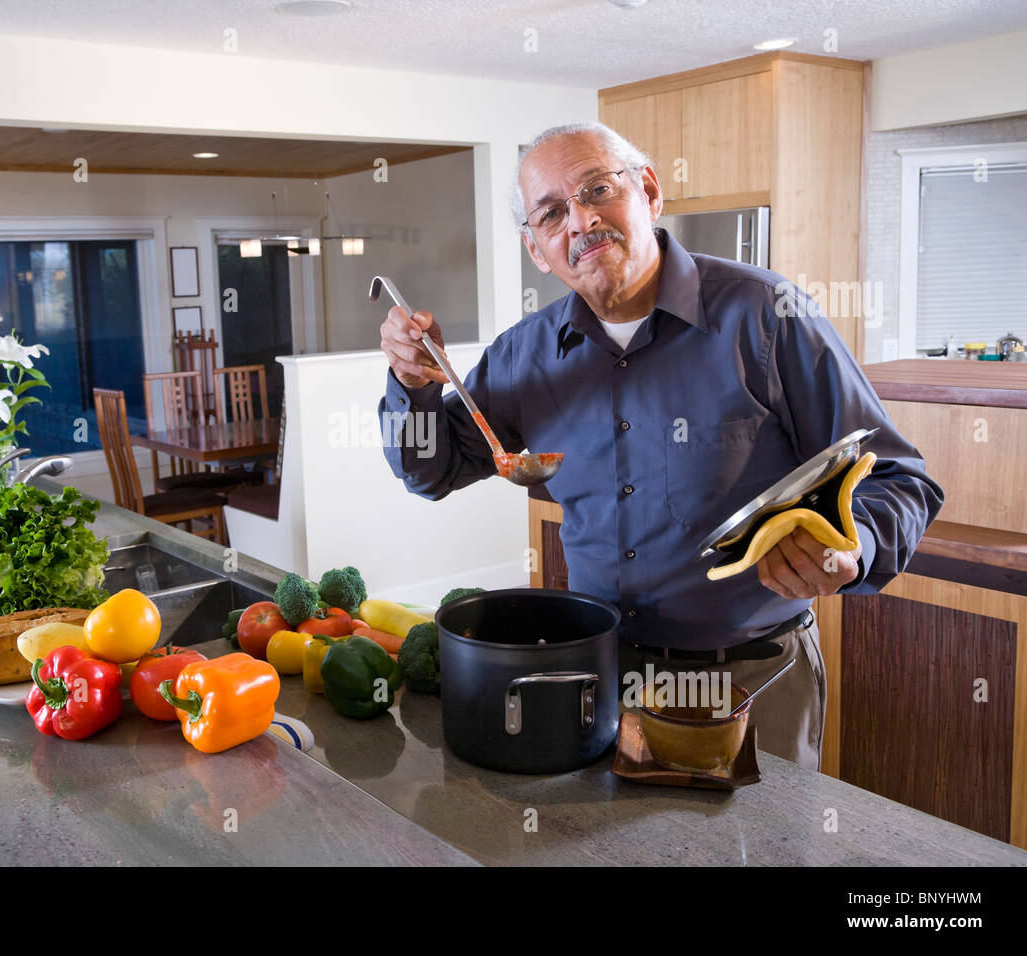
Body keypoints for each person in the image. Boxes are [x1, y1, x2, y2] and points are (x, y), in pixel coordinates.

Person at [376, 121, 943, 771]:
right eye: (553, 212)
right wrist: (408, 386)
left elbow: (899, 478)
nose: (581, 220)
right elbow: (430, 469)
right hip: (598, 676)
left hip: (753, 680)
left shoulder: (767, 314)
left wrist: (855, 547)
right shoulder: (522, 356)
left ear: (648, 190)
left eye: (597, 189)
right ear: (537, 248)